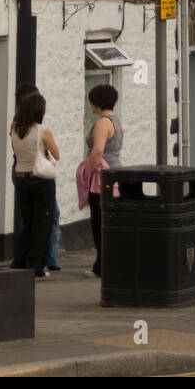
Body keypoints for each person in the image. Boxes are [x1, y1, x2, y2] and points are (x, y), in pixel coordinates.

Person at [8, 92, 60, 278]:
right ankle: (35, 266)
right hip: (41, 180)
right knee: (42, 224)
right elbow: (56, 153)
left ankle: (19, 262)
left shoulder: (14, 128)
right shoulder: (42, 130)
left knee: (27, 223)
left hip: (22, 178)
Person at [83, 84, 122, 278]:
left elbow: (97, 150)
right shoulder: (116, 121)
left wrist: (88, 172)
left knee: (99, 222)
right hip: (116, 173)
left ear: (96, 102)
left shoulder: (102, 123)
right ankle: (110, 262)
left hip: (102, 177)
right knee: (109, 222)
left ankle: (101, 265)